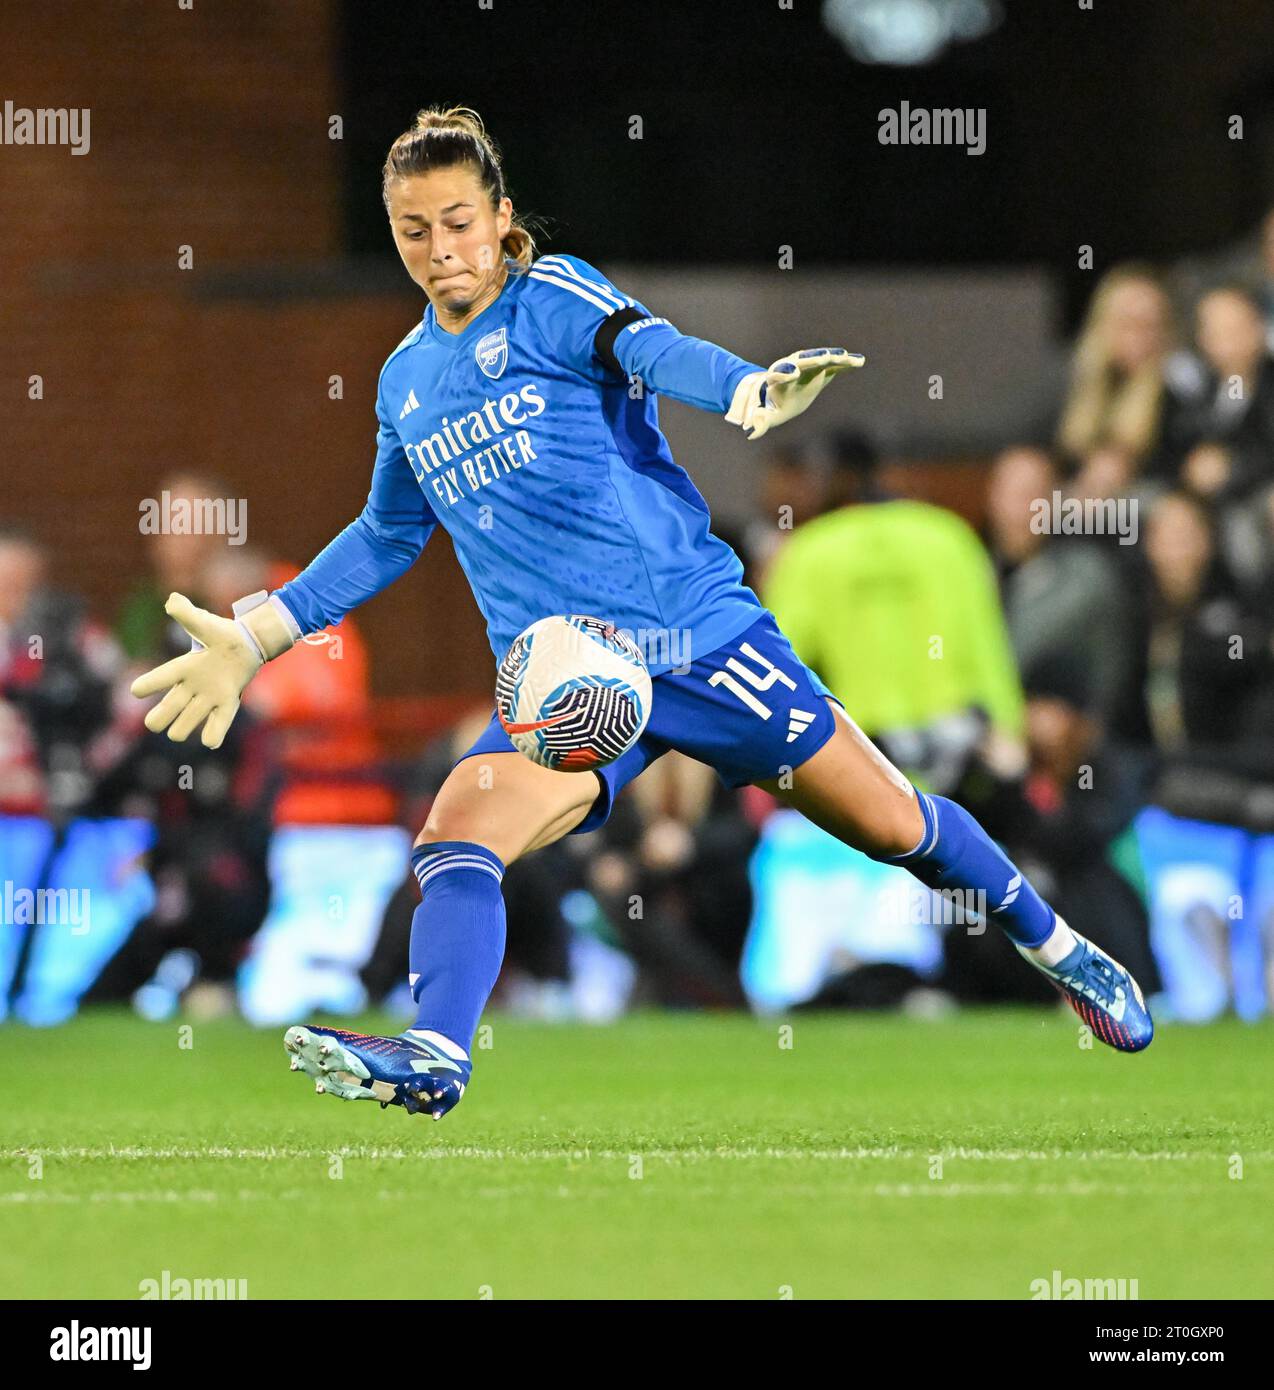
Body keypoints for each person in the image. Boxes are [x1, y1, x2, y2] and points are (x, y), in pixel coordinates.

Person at [129, 106, 1154, 1122]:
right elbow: (390, 533)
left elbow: (652, 349)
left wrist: (743, 387)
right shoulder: (405, 383)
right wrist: (263, 629)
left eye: (456, 221)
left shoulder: (553, 297)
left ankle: (1059, 950)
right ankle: (436, 1052)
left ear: (499, 216)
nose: (439, 250)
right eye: (411, 230)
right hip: (569, 685)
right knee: (454, 837)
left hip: (696, 637)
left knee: (892, 823)